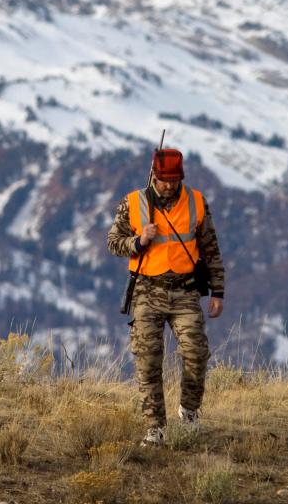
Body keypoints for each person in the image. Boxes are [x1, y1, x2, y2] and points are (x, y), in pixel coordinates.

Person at [107, 147, 225, 446]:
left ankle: (189, 413)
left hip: (185, 291)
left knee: (197, 354)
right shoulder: (133, 202)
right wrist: (138, 240)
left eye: (174, 179)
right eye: (163, 180)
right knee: (148, 360)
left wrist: (217, 291)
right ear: (154, 176)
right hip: (147, 290)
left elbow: (210, 249)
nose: (169, 185)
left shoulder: (197, 202)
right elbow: (113, 243)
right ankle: (155, 428)